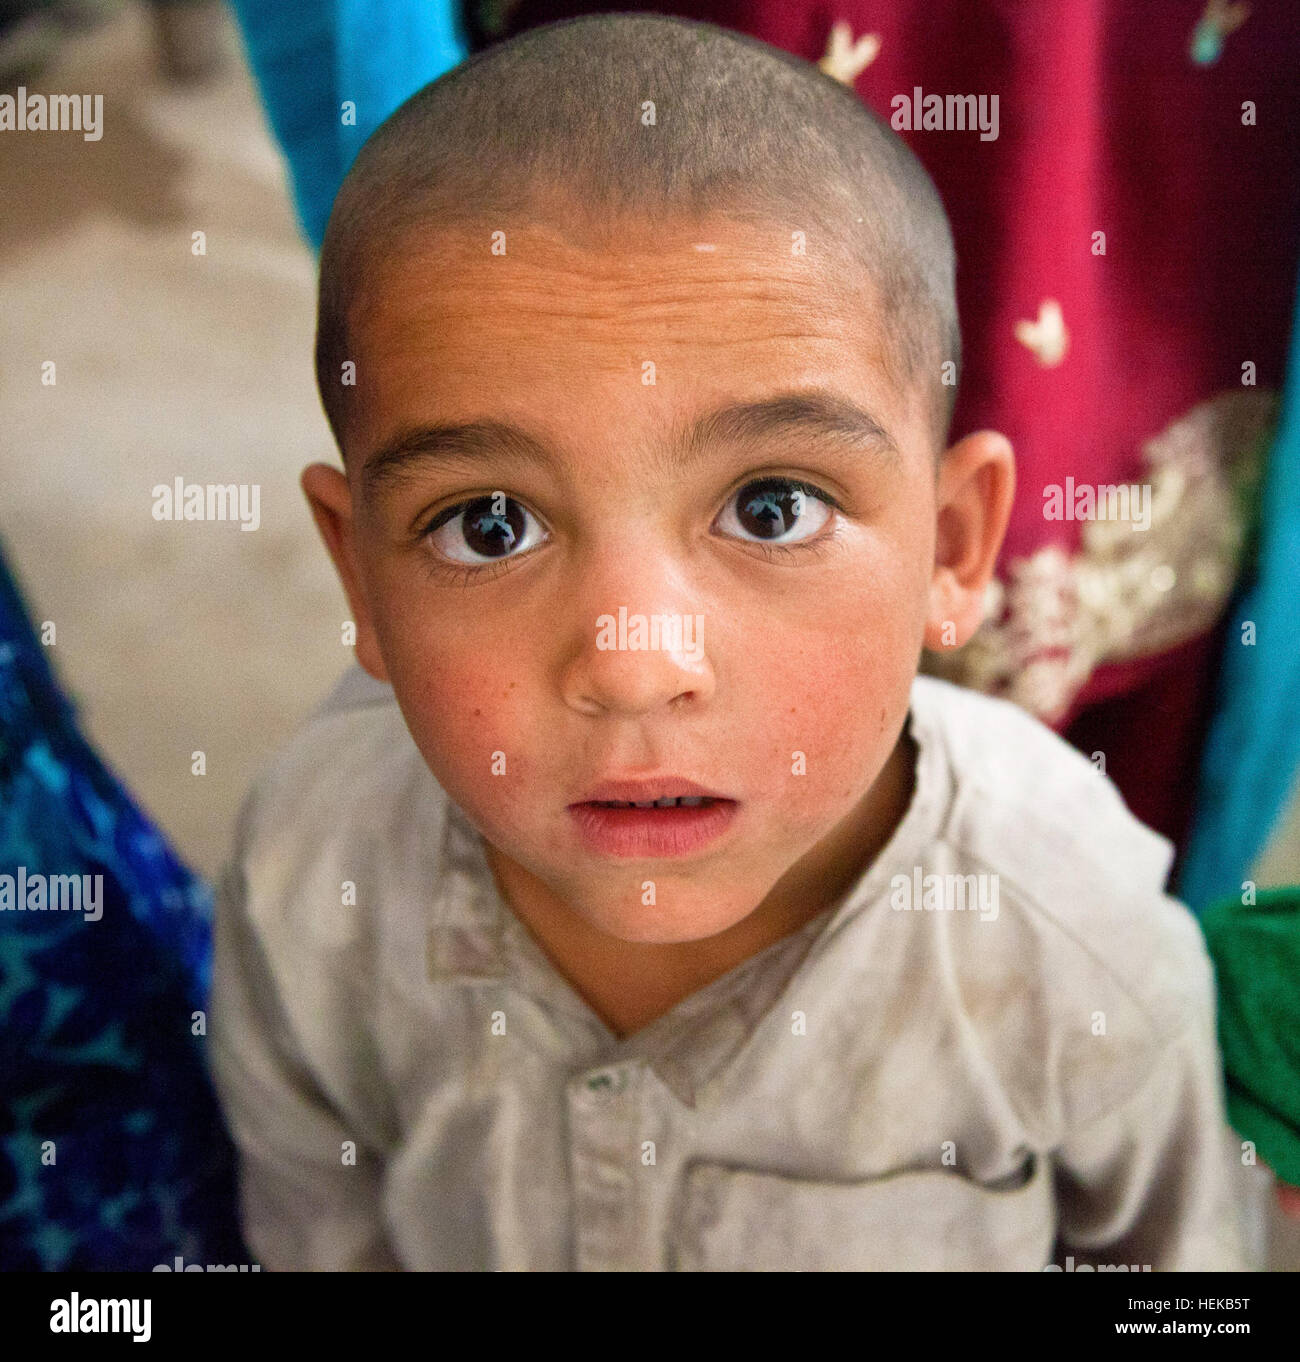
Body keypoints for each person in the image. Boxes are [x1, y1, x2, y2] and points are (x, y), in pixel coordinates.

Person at [209, 14, 1248, 1270]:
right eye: (489, 526)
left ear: (955, 549)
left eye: (773, 508)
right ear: (358, 576)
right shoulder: (310, 875)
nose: (636, 661)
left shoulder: (1069, 925)